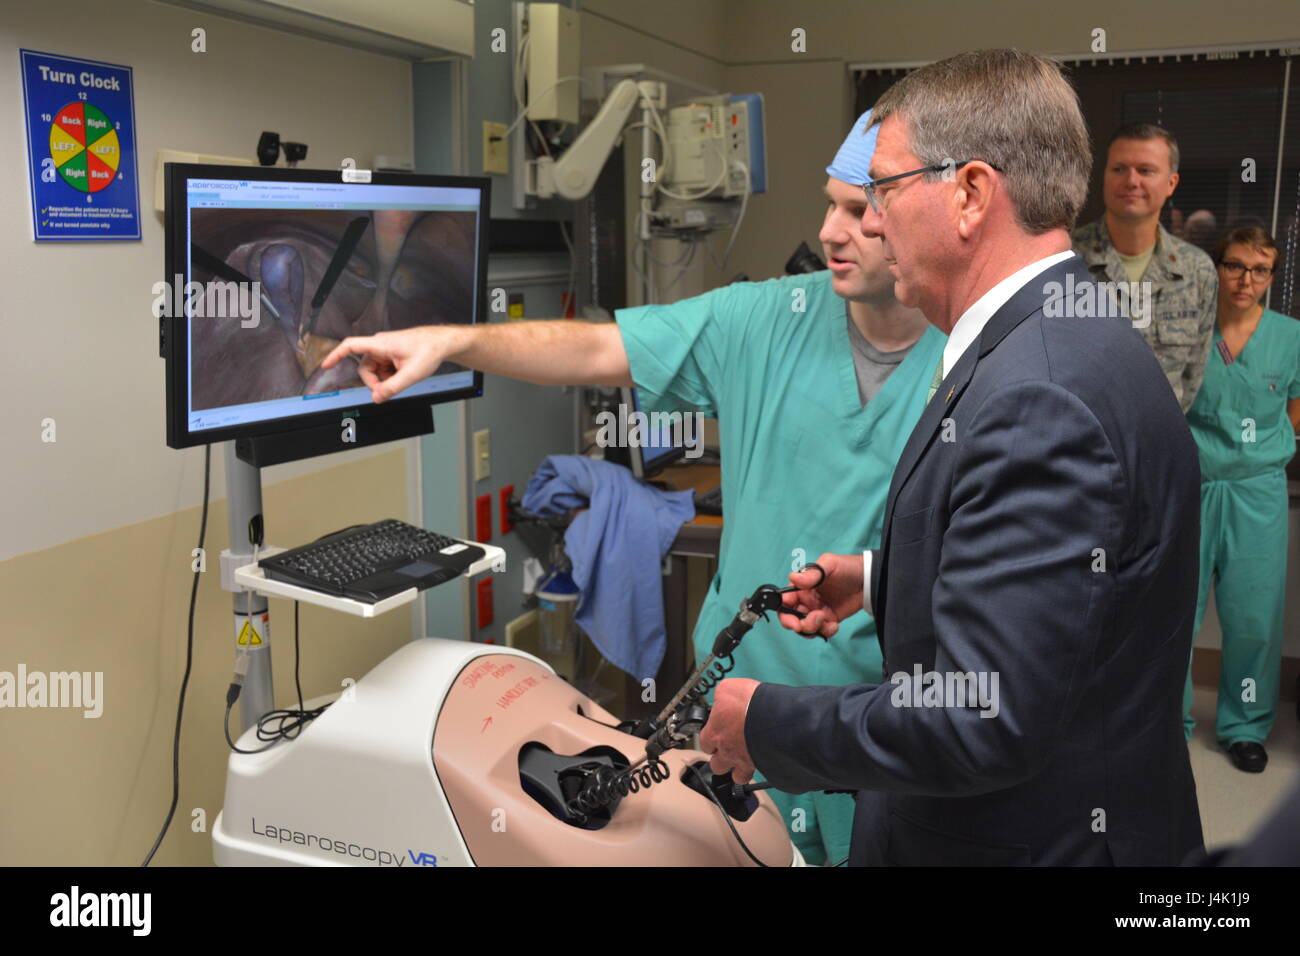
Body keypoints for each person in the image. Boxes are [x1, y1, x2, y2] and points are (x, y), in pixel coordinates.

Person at [319, 112, 947, 866]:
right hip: (740, 724)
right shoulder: (763, 321)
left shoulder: (971, 355)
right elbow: (594, 346)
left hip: (877, 734)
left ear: (919, 214)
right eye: (829, 204)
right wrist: (453, 341)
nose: (831, 231)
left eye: (857, 211)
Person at [700, 49, 1205, 866]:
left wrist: (766, 722)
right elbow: (1072, 588)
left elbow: (982, 718)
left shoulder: (1038, 398)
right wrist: (882, 577)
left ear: (970, 194)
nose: (871, 222)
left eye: (885, 191)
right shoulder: (1066, 335)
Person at [1181, 226, 1300, 772]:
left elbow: (1295, 414)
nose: (1245, 279)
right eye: (1234, 266)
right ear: (1217, 267)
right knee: (1176, 611)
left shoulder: (1290, 337)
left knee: (1254, 617)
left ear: (1273, 277)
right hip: (1191, 486)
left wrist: (1260, 450)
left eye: (1260, 270)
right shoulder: (1190, 330)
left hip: (1257, 493)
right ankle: (1167, 721)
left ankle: (1245, 725)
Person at [1072, 124, 1218, 413]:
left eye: (1146, 170)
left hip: (1158, 443)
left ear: (1171, 183)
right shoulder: (1064, 259)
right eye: (1119, 169)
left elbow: (1192, 376)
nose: (1131, 180)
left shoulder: (1197, 271)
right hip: (1080, 441)